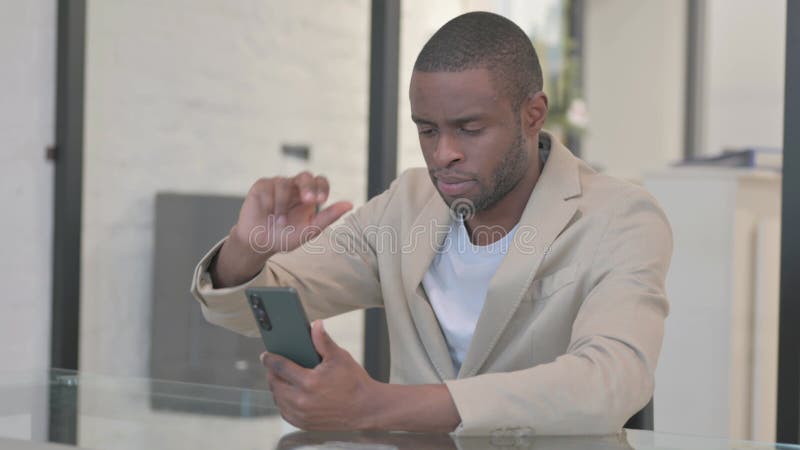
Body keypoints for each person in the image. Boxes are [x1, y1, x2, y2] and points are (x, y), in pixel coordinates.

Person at [190, 11, 672, 436]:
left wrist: (374, 405)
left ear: (533, 115)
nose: (444, 154)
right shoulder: (407, 204)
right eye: (427, 129)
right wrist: (249, 249)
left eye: (470, 128)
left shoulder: (619, 216)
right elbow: (245, 312)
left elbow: (611, 383)